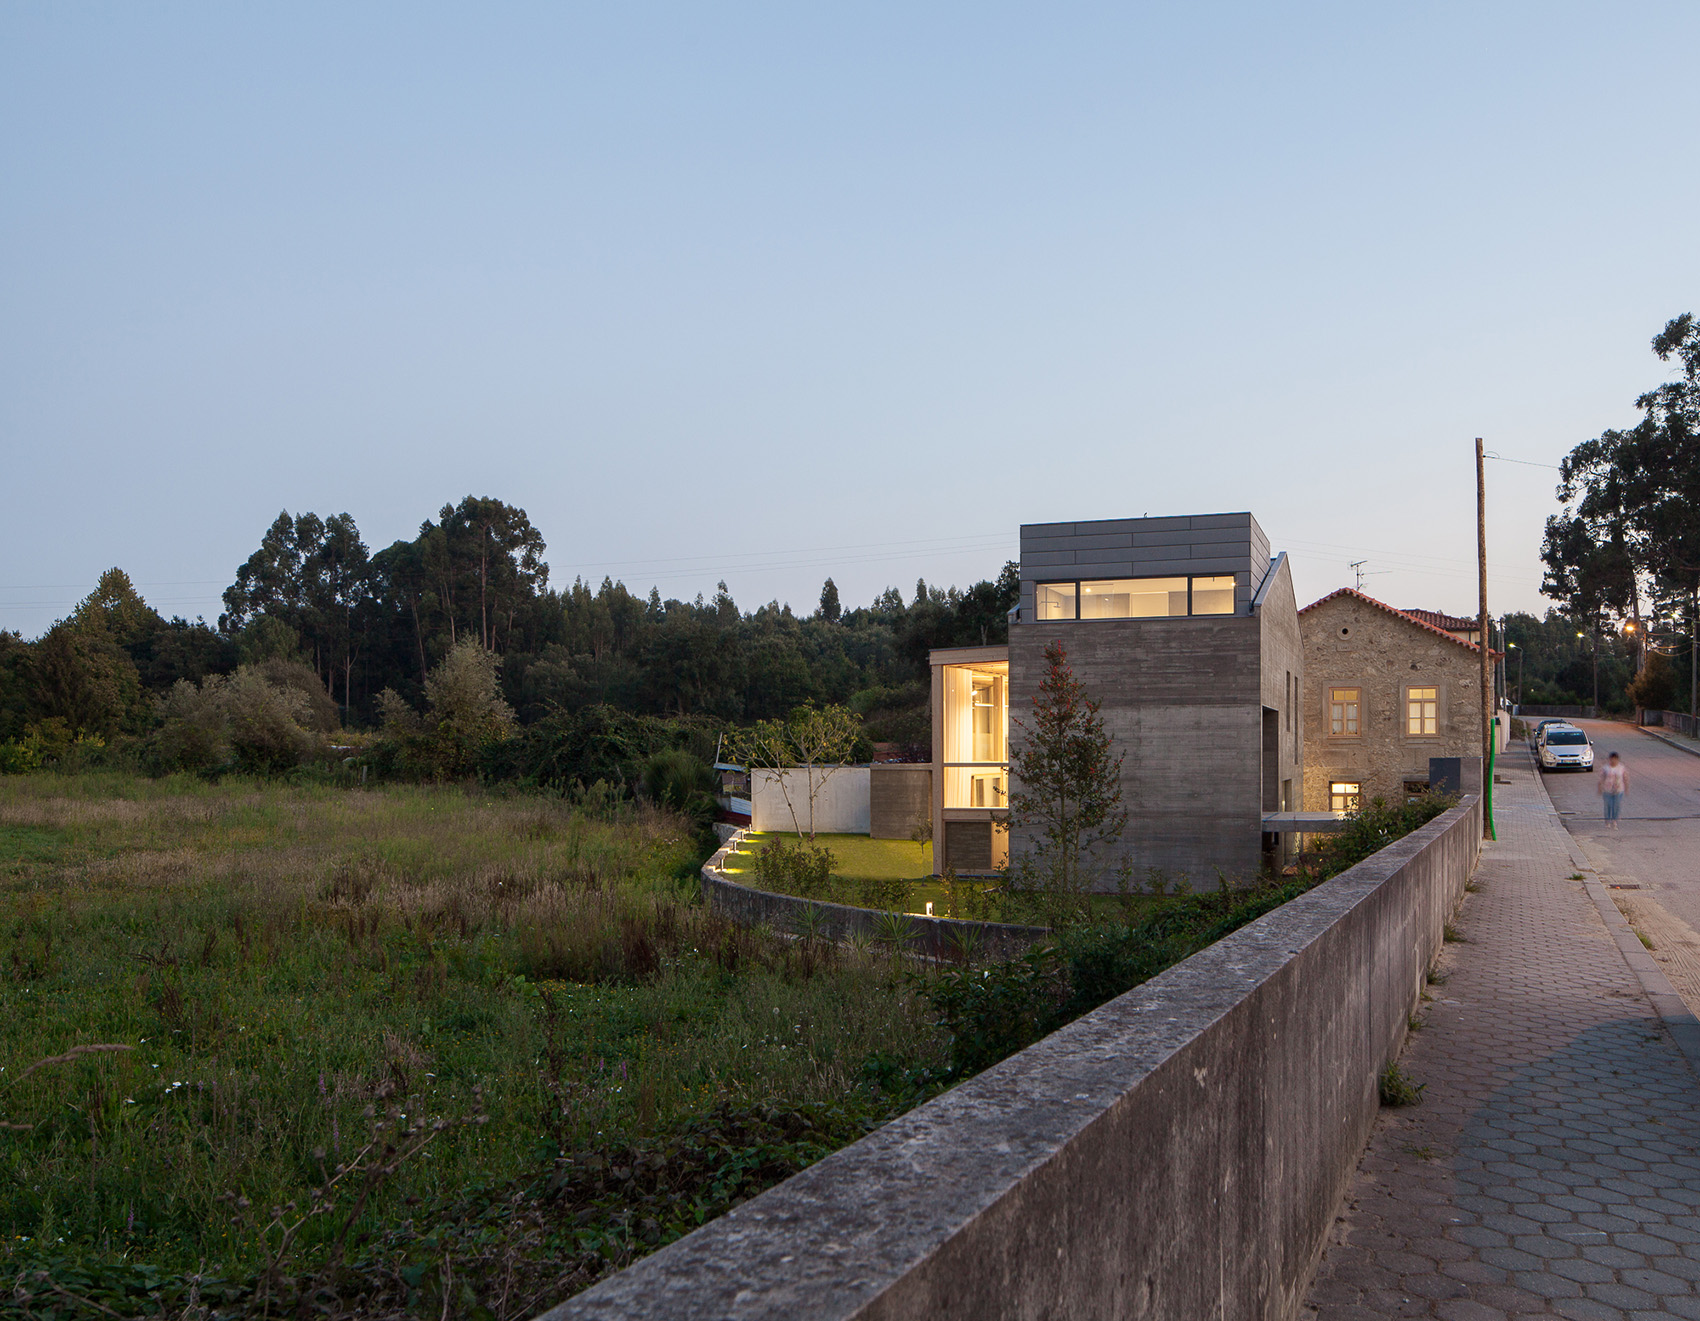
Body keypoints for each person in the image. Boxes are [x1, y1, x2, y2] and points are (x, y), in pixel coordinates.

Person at [1598, 752, 1628, 829]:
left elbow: (1625, 778)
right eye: (1611, 759)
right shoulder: (1605, 768)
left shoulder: (1621, 768)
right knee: (1608, 805)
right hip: (1607, 790)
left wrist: (1626, 788)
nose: (1613, 761)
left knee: (1616, 805)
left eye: (1615, 759)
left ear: (1617, 760)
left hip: (1619, 790)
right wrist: (1600, 787)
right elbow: (1601, 778)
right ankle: (1607, 821)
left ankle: (1614, 821)